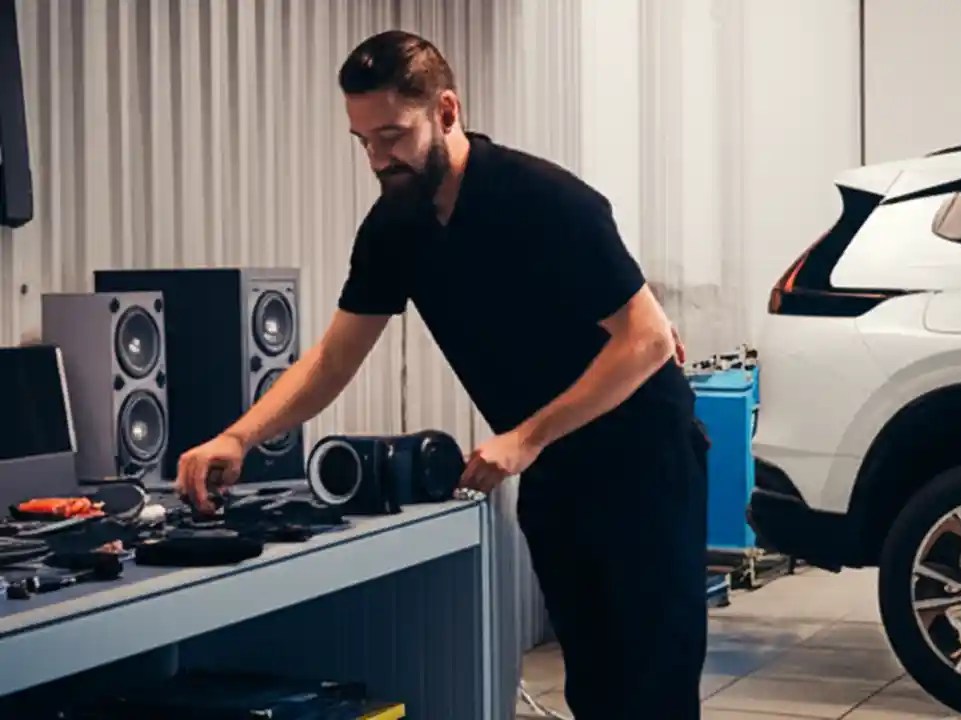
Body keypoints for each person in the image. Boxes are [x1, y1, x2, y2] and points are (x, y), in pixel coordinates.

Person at [175, 30, 709, 719]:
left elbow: (648, 340)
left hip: (644, 464)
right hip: (554, 472)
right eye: (363, 141)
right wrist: (239, 436)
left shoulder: (547, 200)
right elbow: (334, 358)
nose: (378, 159)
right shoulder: (394, 228)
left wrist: (525, 437)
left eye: (392, 136)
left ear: (447, 111)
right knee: (597, 688)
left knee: (653, 690)